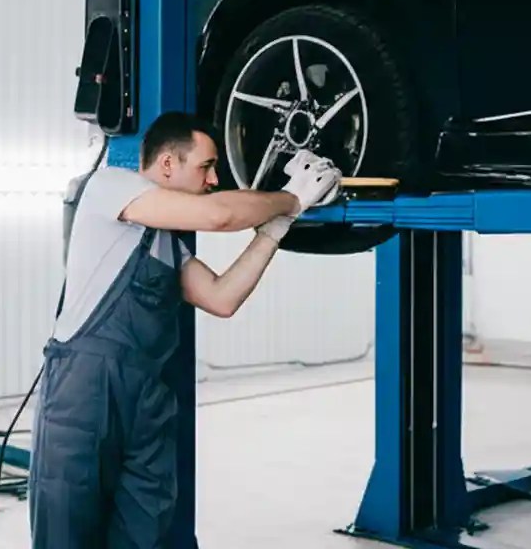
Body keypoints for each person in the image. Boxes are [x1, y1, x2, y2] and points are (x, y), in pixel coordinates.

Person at [27, 111, 342, 548]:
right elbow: (217, 216)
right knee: (67, 530)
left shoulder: (167, 247)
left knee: (144, 531)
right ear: (168, 164)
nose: (213, 180)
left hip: (145, 401)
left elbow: (221, 297)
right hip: (84, 395)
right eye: (207, 167)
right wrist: (290, 198)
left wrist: (275, 229)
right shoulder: (109, 187)